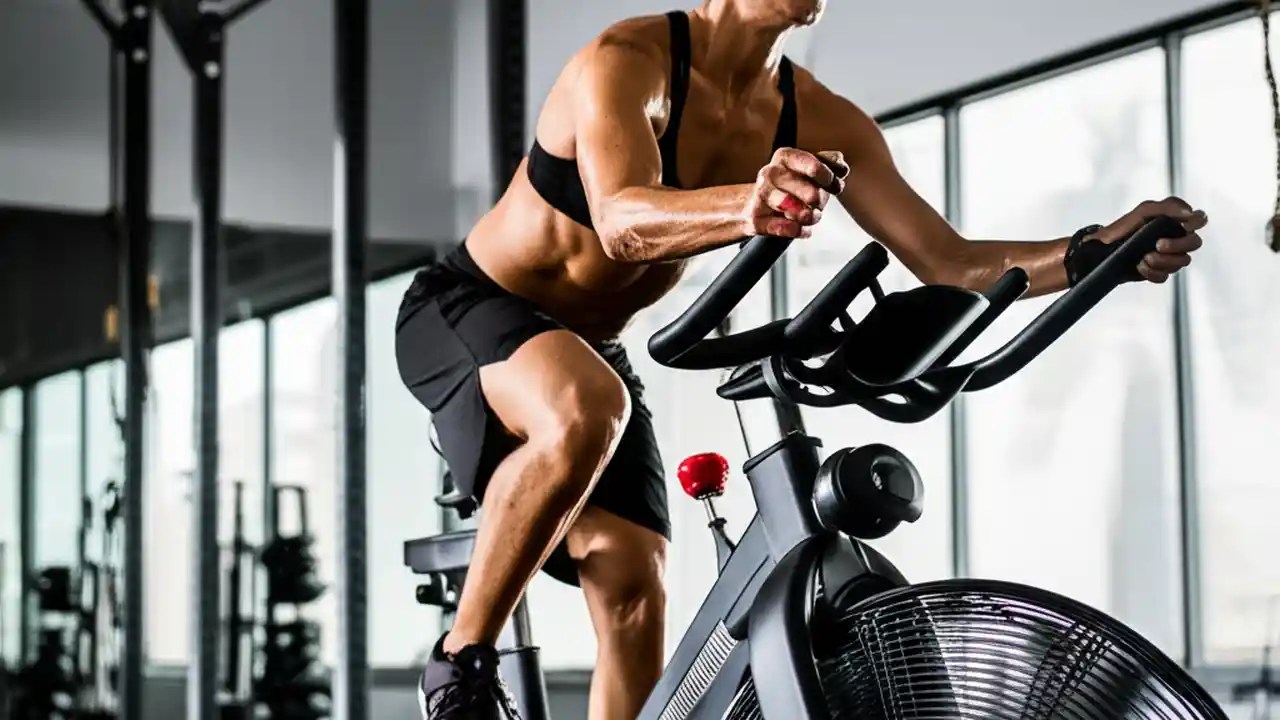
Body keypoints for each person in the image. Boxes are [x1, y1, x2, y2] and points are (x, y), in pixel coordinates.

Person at [395, 1, 1209, 717]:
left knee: (637, 579)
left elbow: (950, 263)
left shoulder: (820, 118)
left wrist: (1099, 249)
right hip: (468, 305)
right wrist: (745, 205)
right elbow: (622, 222)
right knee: (588, 407)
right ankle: (461, 665)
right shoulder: (626, 63)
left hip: (591, 346)